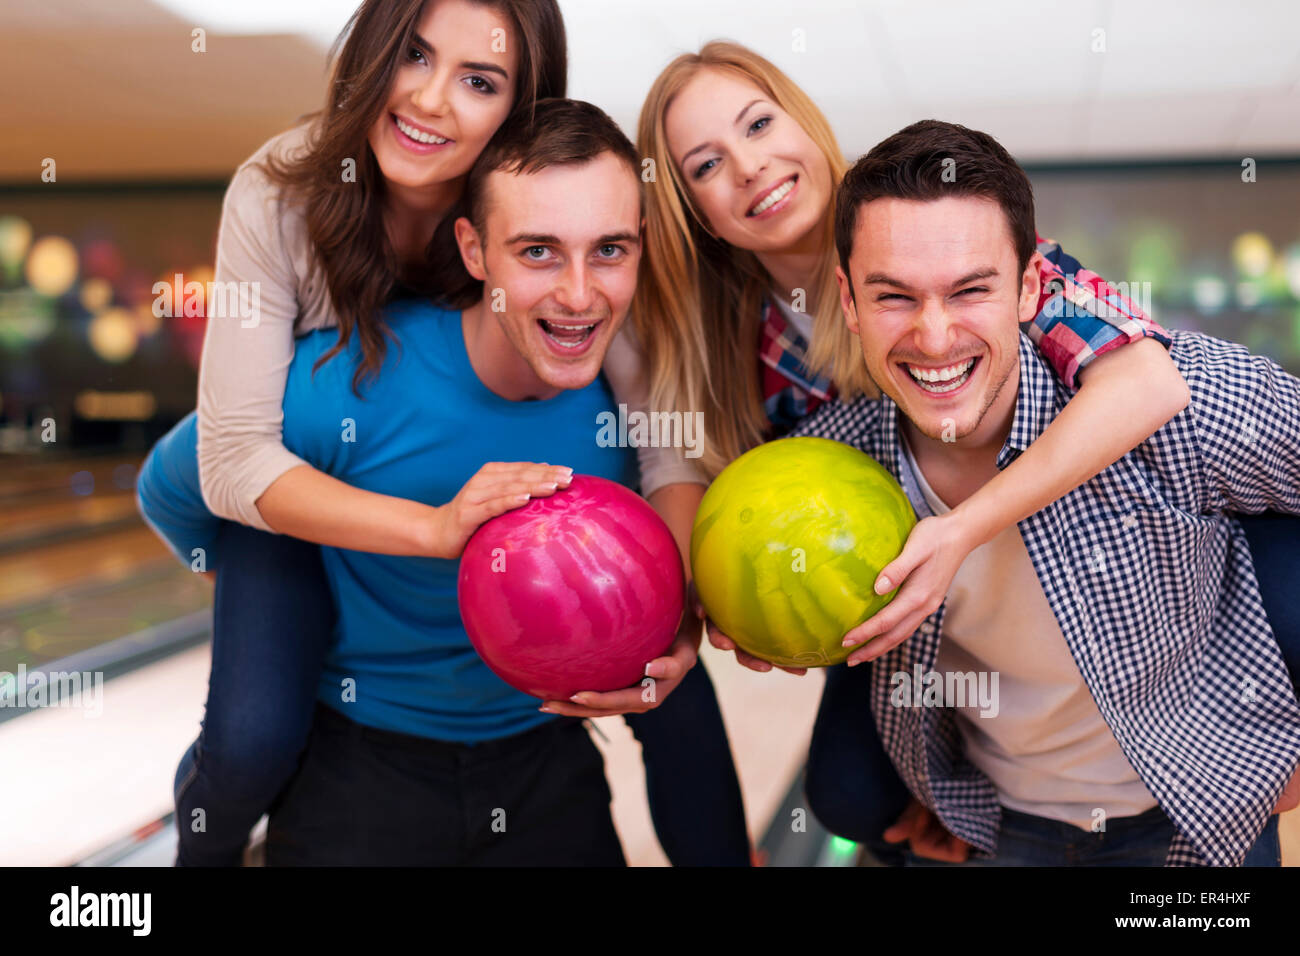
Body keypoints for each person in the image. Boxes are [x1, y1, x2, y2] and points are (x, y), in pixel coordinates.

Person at [161, 0, 747, 866]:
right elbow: (222, 462)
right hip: (286, 478)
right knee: (252, 735)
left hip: (467, 550)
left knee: (673, 679)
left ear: (521, 112)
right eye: (413, 55)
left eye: (480, 80)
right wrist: (428, 532)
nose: (433, 101)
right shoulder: (283, 194)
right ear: (477, 251)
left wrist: (678, 619)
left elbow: (663, 444)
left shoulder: (570, 214)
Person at [788, 119, 1300, 867]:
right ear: (848, 299)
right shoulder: (828, 463)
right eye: (894, 296)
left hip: (1195, 817)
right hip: (997, 827)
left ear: (1031, 285)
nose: (934, 338)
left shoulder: (1177, 408)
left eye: (970, 290)